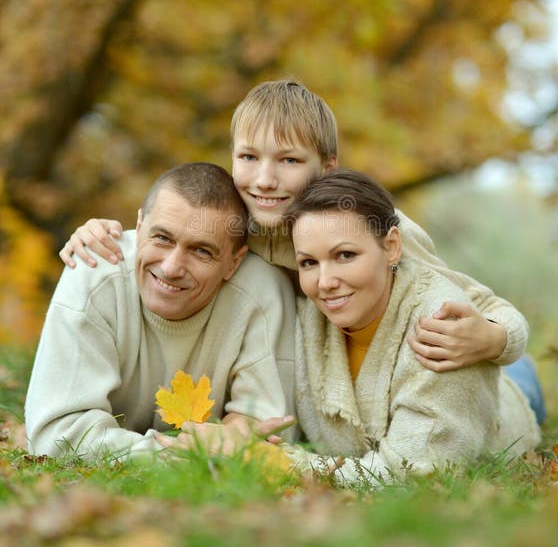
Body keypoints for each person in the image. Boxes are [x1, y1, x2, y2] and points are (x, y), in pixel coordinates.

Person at [59, 80, 530, 374]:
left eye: (288, 160)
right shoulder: (232, 222)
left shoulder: (371, 227)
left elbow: (485, 303)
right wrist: (104, 231)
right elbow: (169, 230)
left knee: (517, 386)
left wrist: (495, 339)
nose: (264, 180)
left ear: (325, 167)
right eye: (248, 158)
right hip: (329, 379)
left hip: (443, 367)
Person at [282, 168, 543, 485]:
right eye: (309, 262)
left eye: (345, 255)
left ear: (391, 247)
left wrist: (277, 462)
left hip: (505, 406)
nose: (324, 282)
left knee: (523, 380)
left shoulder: (442, 331)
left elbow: (410, 472)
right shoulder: (306, 318)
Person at [25, 163, 297, 460]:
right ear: (139, 227)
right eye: (162, 238)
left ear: (234, 262)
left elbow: (270, 433)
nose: (170, 268)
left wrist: (236, 436)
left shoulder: (261, 292)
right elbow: (57, 435)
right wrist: (191, 455)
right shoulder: (94, 269)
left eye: (201, 251)